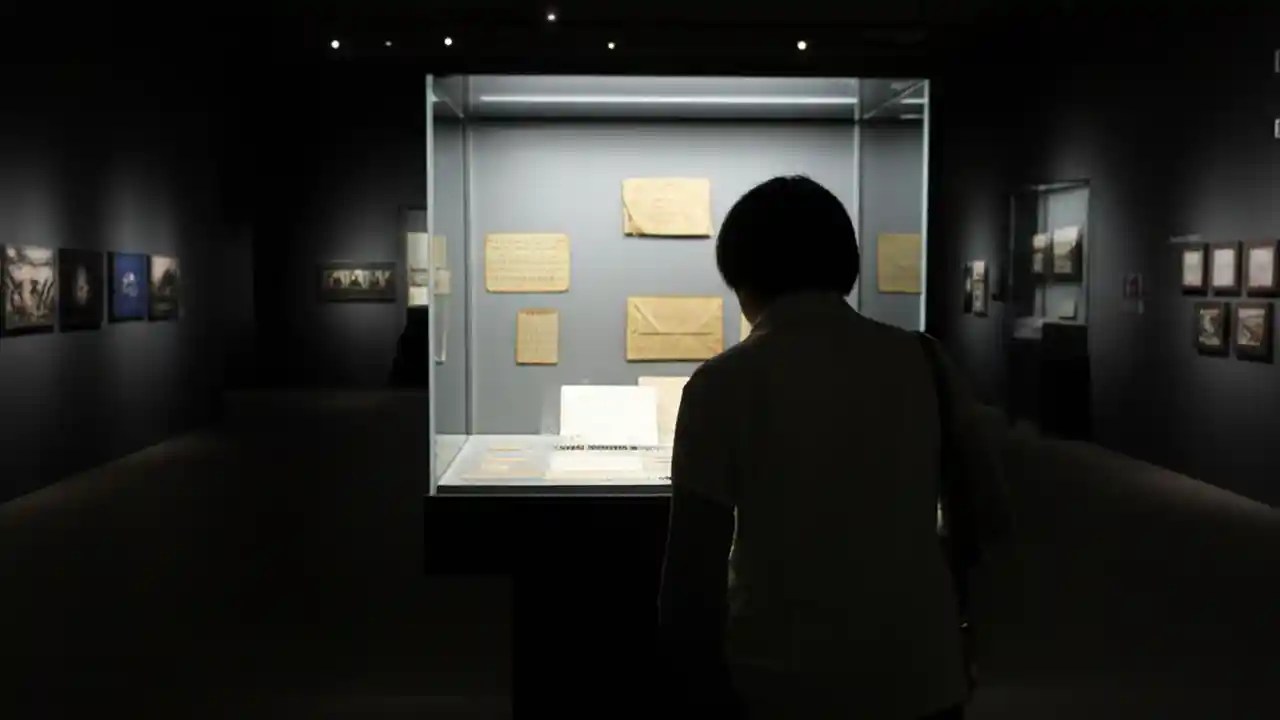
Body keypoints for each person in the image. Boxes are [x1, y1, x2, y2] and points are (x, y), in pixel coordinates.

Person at [658, 176, 1009, 719]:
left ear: (740, 273)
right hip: (918, 670)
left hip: (778, 678)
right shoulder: (925, 360)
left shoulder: (721, 385)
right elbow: (979, 517)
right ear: (846, 264)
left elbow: (692, 567)